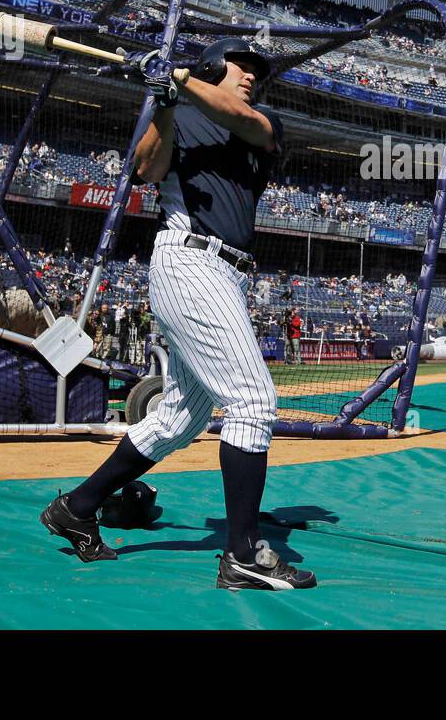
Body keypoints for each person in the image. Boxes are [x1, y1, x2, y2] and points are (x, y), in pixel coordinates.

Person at [40, 37, 316, 590]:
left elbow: (241, 116)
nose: (252, 77)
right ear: (215, 65)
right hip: (190, 261)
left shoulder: (259, 120)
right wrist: (165, 98)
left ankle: (78, 505)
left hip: (227, 275)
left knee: (179, 418)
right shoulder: (181, 113)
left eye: (257, 72)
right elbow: (146, 167)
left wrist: (180, 80)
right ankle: (241, 556)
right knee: (253, 399)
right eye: (242, 67)